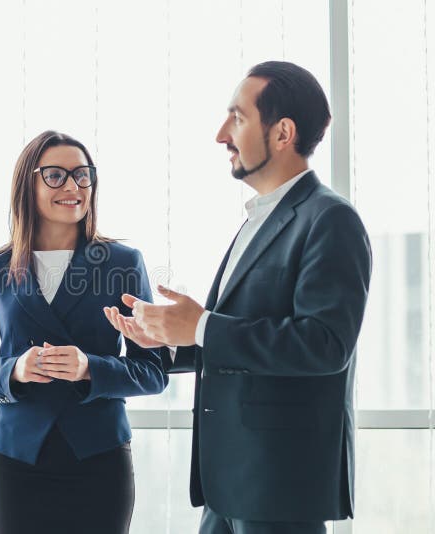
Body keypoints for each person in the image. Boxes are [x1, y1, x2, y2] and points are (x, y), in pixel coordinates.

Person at [104, 61, 372, 534]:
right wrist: (167, 341)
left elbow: (325, 345)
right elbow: (242, 336)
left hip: (278, 486)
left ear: (282, 132)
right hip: (228, 484)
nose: (221, 135)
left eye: (238, 118)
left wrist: (202, 325)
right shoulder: (257, 220)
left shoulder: (330, 220)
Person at [0, 130, 168, 534]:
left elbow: (152, 372)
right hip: (18, 461)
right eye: (55, 175)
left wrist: (91, 368)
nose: (72, 186)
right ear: (27, 183)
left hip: (100, 457)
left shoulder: (122, 262)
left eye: (82, 175)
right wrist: (14, 370)